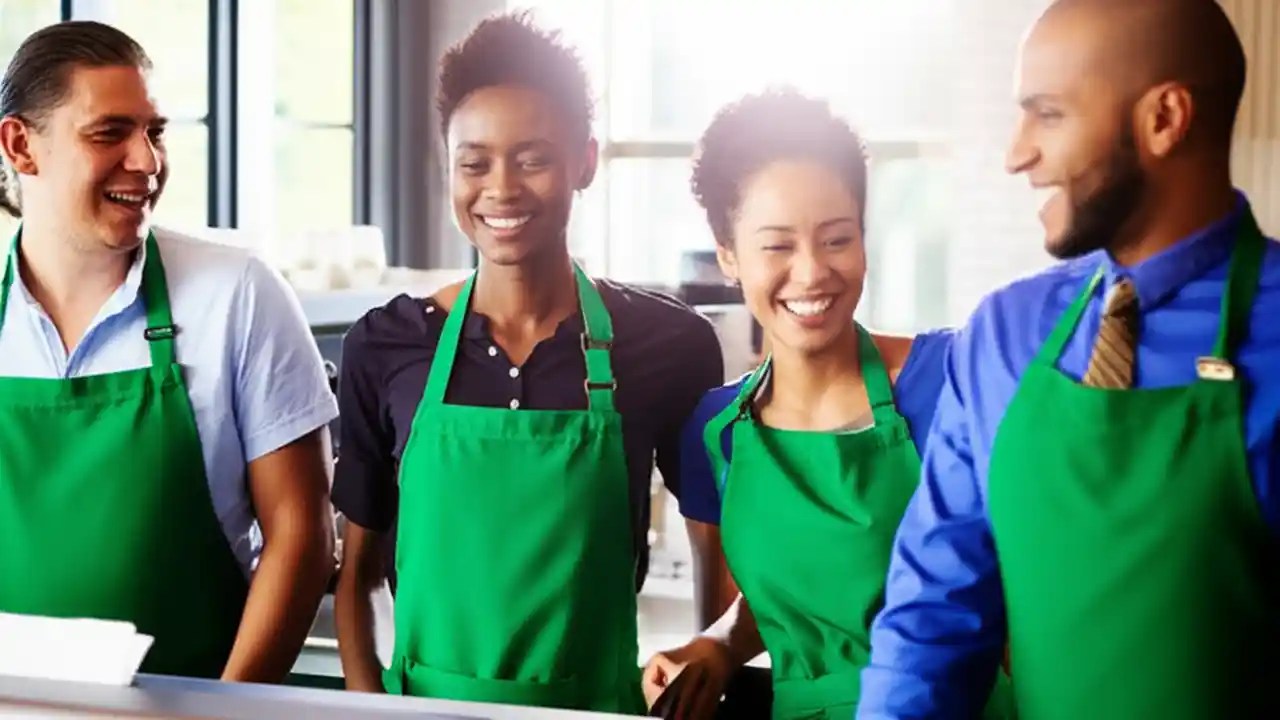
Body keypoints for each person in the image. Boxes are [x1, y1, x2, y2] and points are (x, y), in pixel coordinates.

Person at [858, 1, 1280, 718]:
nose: (1016, 153)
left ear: (1164, 119)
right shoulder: (1002, 334)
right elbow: (931, 619)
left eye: (1047, 115)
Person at [331, 11, 724, 714]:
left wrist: (711, 655)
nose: (501, 188)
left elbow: (715, 551)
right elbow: (355, 579)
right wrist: (368, 707)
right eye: (474, 163)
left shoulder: (669, 345)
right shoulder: (385, 345)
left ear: (585, 161)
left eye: (533, 158)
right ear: (448, 169)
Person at [639, 90, 1015, 720]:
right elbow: (775, 600)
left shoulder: (951, 379)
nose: (813, 273)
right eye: (778, 246)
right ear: (728, 253)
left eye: (837, 239)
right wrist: (717, 646)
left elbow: (1016, 589)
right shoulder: (715, 433)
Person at [0, 21, 338, 682]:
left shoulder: (236, 294)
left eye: (154, 132)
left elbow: (300, 535)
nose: (147, 162)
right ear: (21, 146)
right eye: (110, 133)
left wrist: (228, 708)